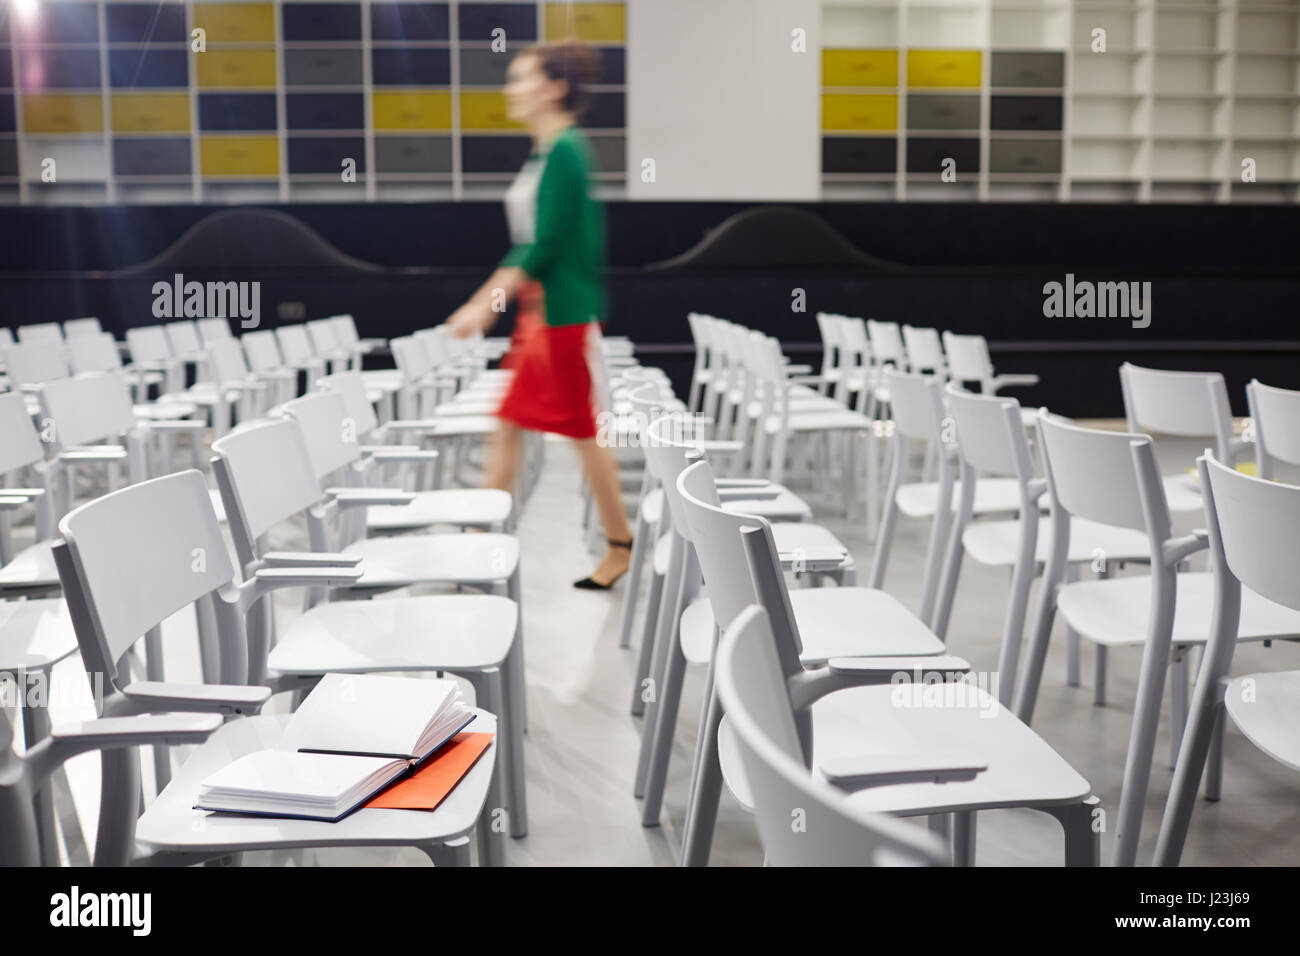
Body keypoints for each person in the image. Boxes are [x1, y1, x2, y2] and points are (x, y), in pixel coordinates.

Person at [445, 40, 633, 590]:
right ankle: (481, 545)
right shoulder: (547, 153)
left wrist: (486, 302)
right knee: (510, 424)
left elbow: (543, 245)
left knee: (580, 431)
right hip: (542, 315)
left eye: (521, 78)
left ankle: (619, 544)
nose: (510, 89)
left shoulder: (567, 151)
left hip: (561, 318)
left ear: (554, 88)